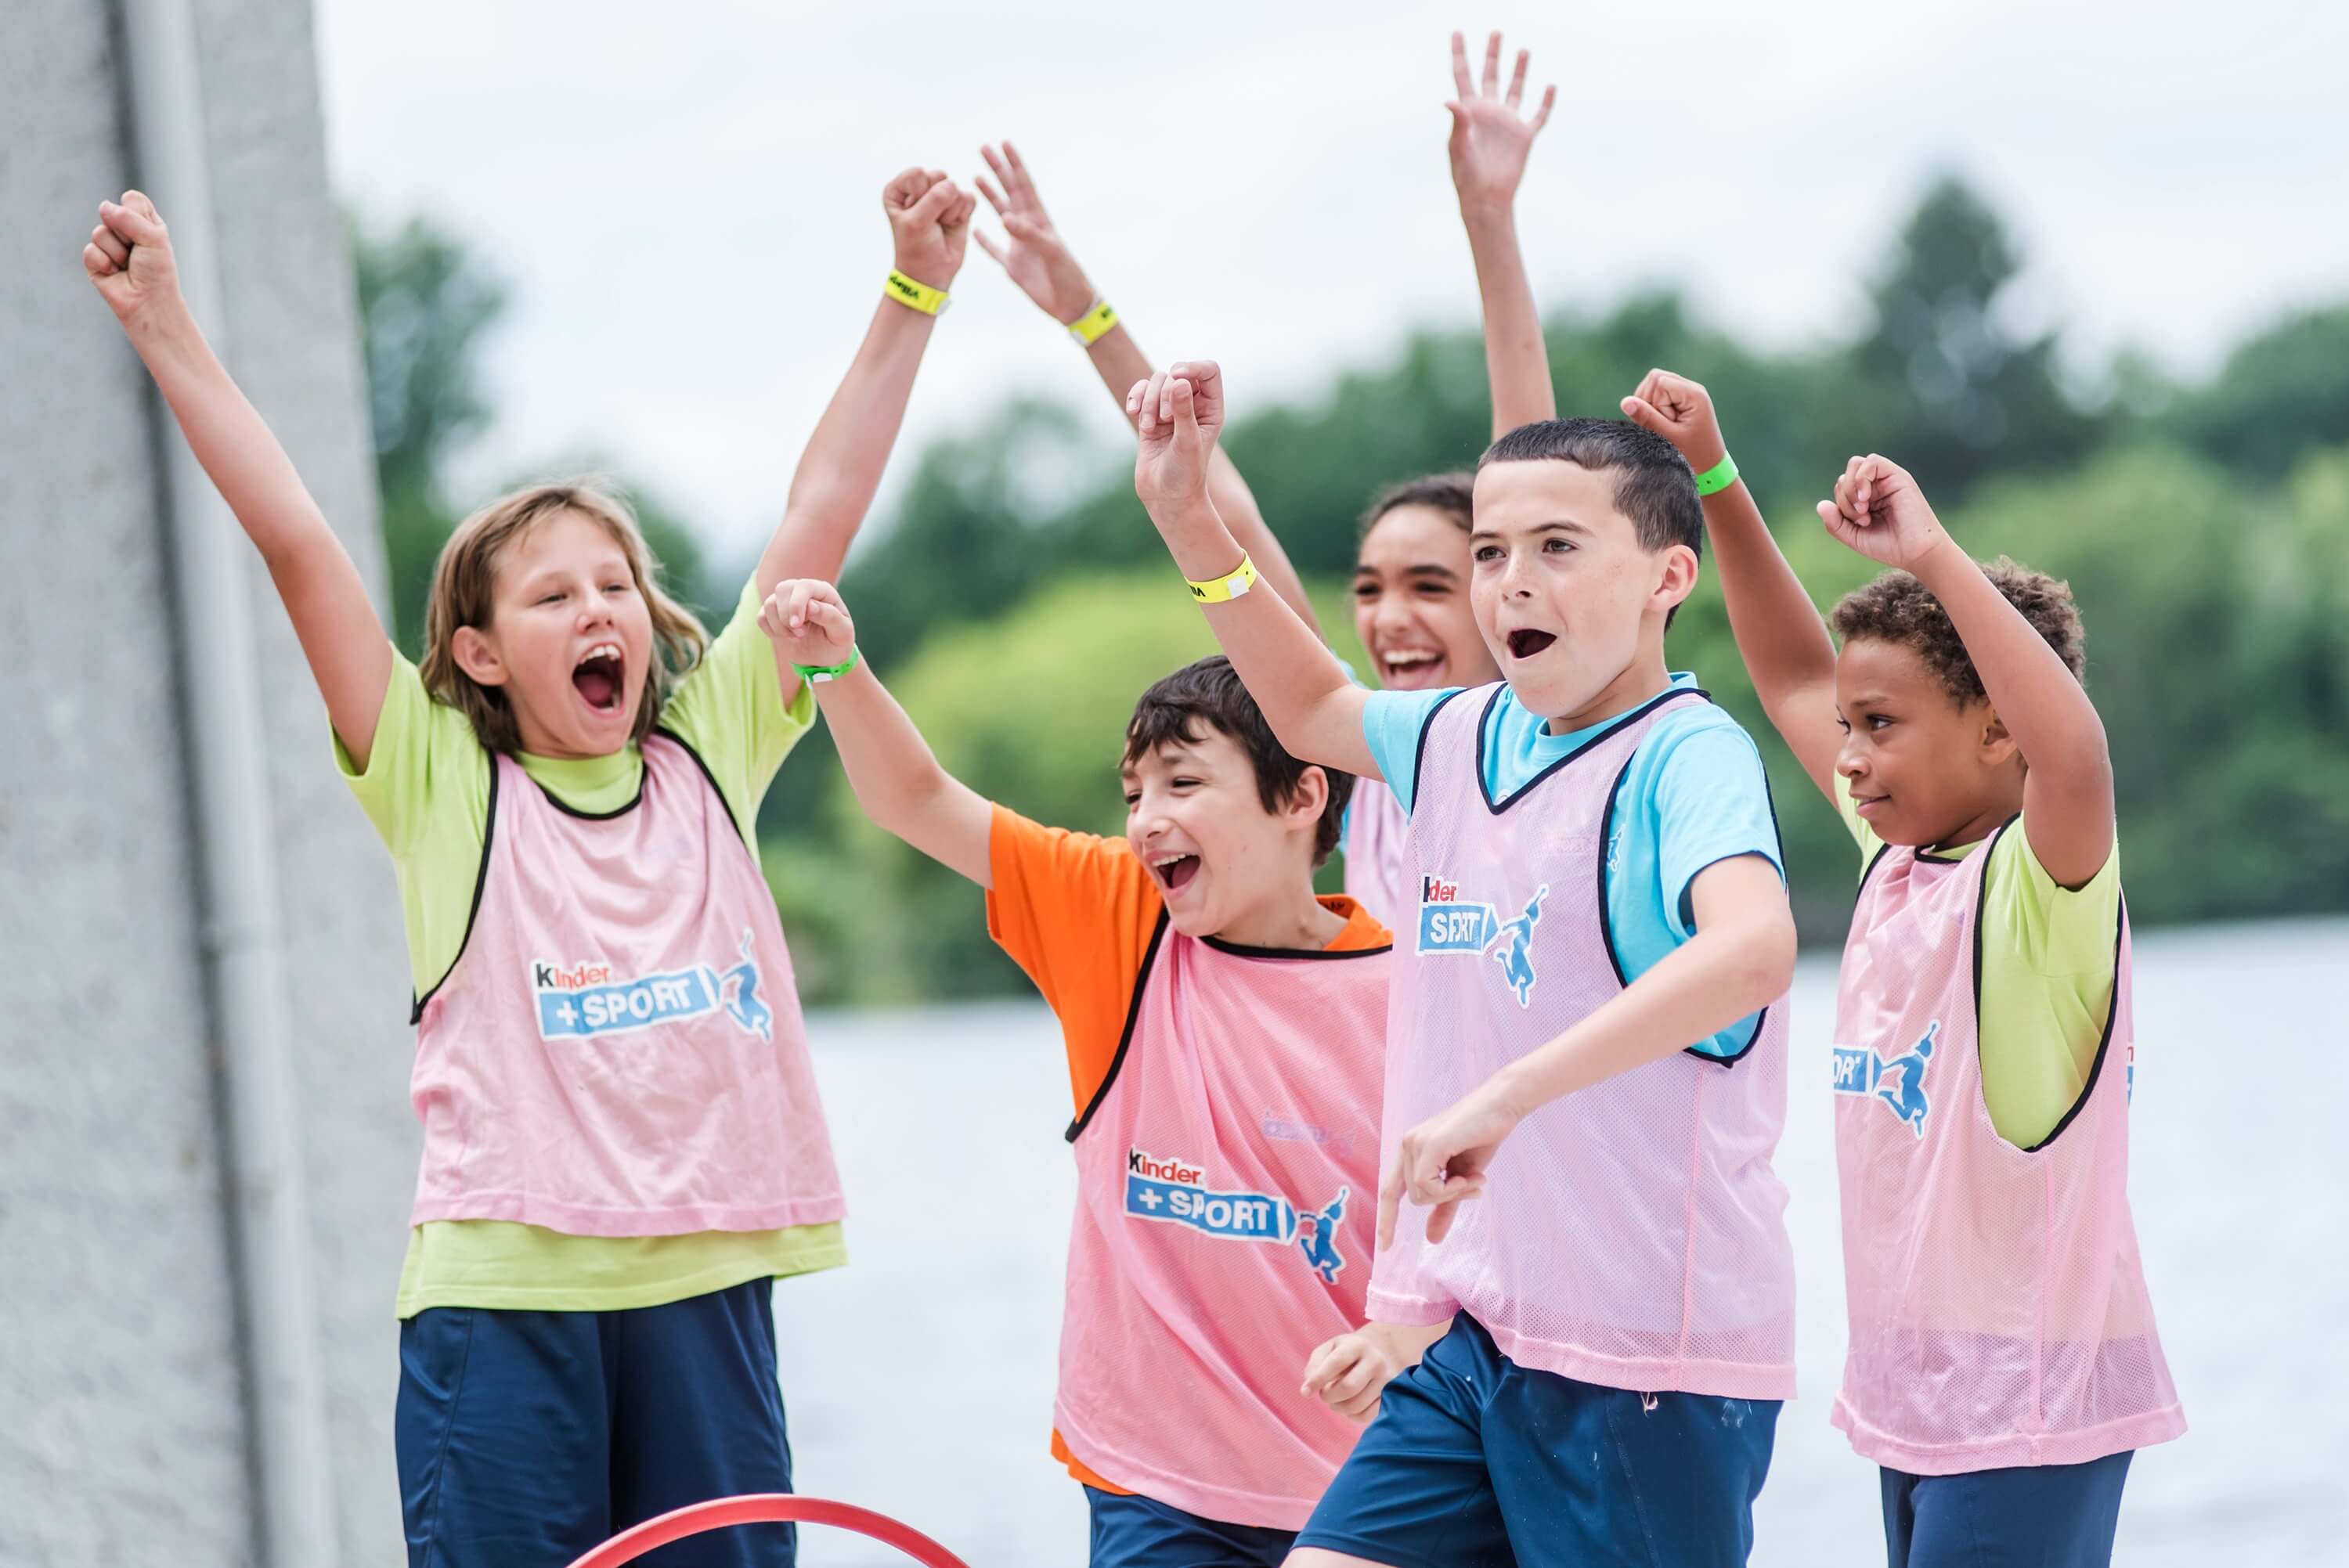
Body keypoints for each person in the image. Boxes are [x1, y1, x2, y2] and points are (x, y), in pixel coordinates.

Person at [81, 168, 977, 1566]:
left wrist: (914, 288)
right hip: (503, 1300)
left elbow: (824, 499)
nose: (598, 609)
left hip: (709, 1290)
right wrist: (166, 326)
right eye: (554, 595)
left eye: (614, 584)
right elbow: (300, 542)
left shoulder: (711, 748)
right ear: (485, 652)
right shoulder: (443, 782)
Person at [1127, 359, 1799, 1567]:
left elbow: (1753, 948)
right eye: (1490, 552)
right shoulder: (1455, 735)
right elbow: (1312, 703)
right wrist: (1188, 514)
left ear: (1666, 577)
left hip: (1645, 1364)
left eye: (1555, 547)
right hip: (1477, 1342)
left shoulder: (1689, 755)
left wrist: (1504, 1096)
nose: (1511, 582)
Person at [1620, 370, 2186, 1568]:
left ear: (1997, 731)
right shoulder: (1896, 852)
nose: (1851, 749)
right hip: (1918, 1392)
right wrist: (1715, 474)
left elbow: (2074, 752)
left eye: (1883, 723)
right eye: (1856, 725)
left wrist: (1934, 559)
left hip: (2035, 1402)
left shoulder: (2043, 889)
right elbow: (1788, 675)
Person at [756, 579, 1391, 1568]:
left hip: (1367, 1484)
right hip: (1156, 1479)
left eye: (1184, 784)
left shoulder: (1416, 985)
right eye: (1133, 793)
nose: (1146, 821)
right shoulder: (1118, 913)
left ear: (1303, 795)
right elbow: (916, 799)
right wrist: (837, 665)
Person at [966, 27, 1555, 937]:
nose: (1389, 615)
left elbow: (1528, 456)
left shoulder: (1536, 733)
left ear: (1500, 587)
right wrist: (1086, 313)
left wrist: (1489, 220)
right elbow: (1222, 506)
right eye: (1370, 588)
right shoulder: (1357, 759)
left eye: (1430, 584)